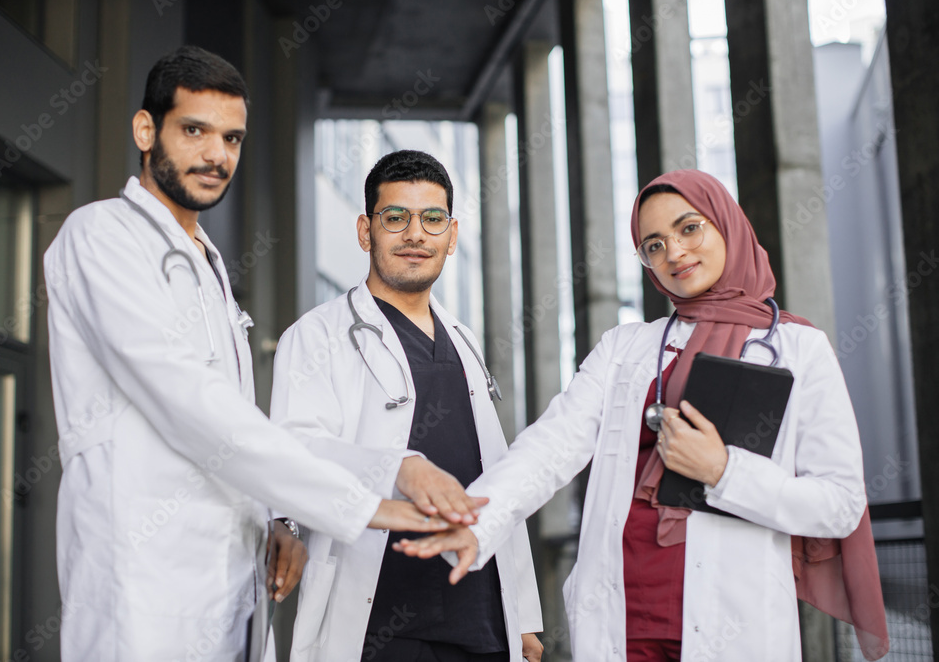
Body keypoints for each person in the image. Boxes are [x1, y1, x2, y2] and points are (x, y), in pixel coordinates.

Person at [44, 47, 483, 661]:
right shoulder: (100, 237)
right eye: (194, 130)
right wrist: (363, 504)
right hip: (141, 570)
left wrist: (276, 520)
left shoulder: (207, 263)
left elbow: (233, 428)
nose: (216, 155)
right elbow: (187, 401)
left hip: (230, 573)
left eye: (232, 138)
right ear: (146, 131)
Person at [396, 169, 889, 661]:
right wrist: (476, 519)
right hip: (619, 618)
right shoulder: (626, 346)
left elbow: (840, 503)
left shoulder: (798, 349)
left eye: (688, 228)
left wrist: (723, 472)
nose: (673, 252)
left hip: (732, 625)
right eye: (653, 244)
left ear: (726, 224)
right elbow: (551, 447)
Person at [268, 150, 544, 662]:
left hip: (480, 619)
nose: (415, 234)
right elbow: (294, 451)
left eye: (432, 219)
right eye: (395, 217)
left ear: (452, 235)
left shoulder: (465, 340)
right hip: (380, 623)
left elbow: (496, 473)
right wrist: (400, 466)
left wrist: (522, 615)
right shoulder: (317, 336)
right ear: (364, 231)